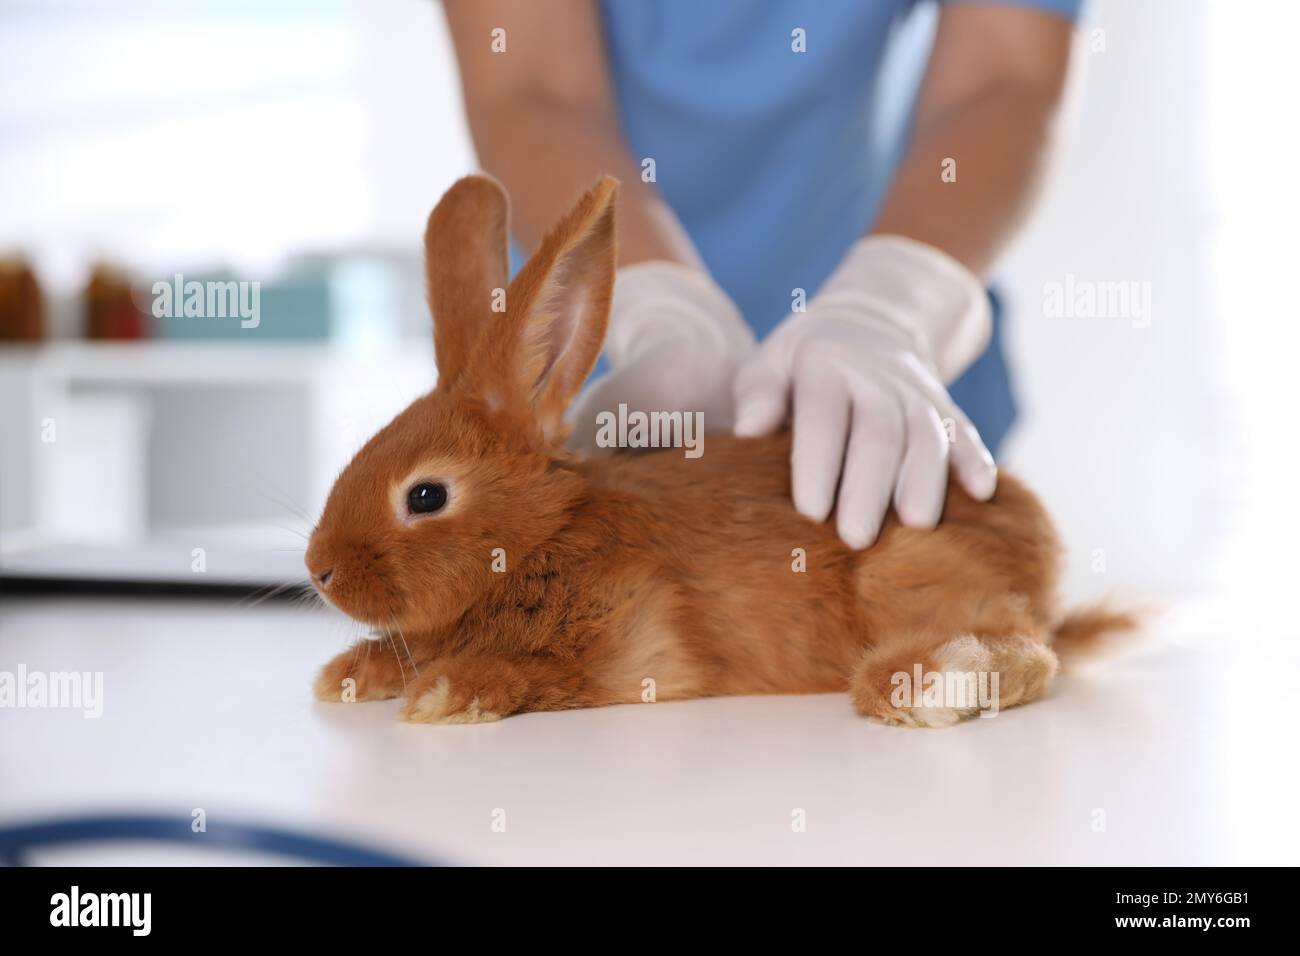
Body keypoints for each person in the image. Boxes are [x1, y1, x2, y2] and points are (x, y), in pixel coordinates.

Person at [442, 0, 1079, 548]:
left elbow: (1006, 74)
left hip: (884, 382)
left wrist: (893, 301)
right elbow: (530, 85)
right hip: (608, 377)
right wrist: (659, 307)